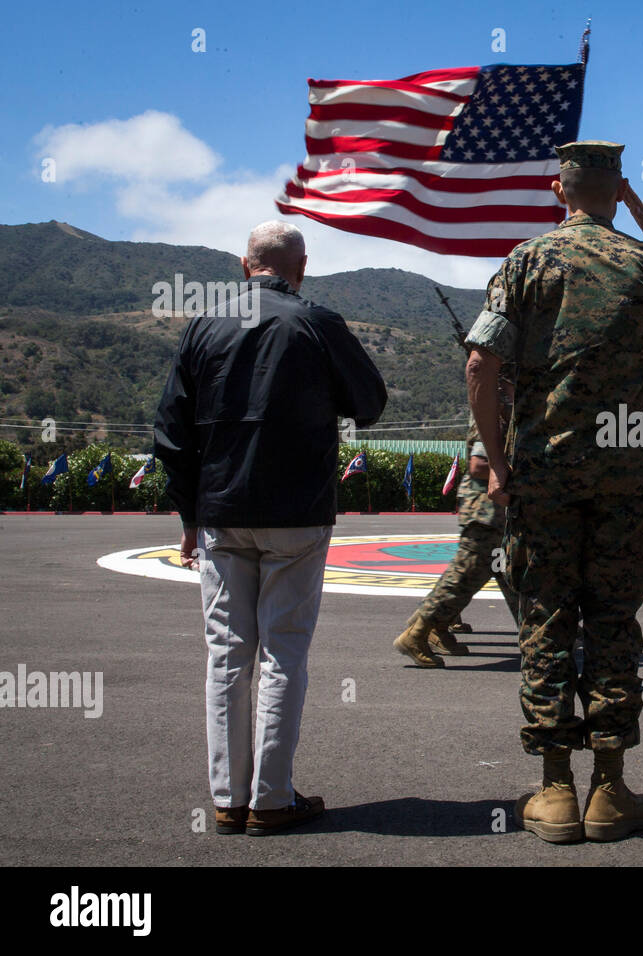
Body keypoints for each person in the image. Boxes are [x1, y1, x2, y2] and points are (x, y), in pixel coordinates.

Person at [463, 140, 643, 843]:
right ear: (617, 192)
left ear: (559, 189)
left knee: (546, 620)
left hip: (543, 473)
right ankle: (610, 789)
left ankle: (553, 791)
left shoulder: (526, 261)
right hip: (626, 475)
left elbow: (482, 359)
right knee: (613, 621)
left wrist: (498, 458)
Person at [154, 221, 387, 836]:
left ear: (243, 264)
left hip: (221, 513)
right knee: (284, 653)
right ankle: (272, 799)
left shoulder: (203, 326)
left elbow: (171, 434)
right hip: (298, 513)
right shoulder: (317, 322)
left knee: (227, 655)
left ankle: (228, 799)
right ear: (300, 267)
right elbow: (370, 401)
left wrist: (188, 518)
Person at [393, 386, 520, 667]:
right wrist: (523, 474)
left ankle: (436, 629)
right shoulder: (493, 407)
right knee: (462, 578)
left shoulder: (506, 404)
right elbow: (479, 465)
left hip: (496, 513)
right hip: (485, 512)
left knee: (496, 578)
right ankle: (416, 633)